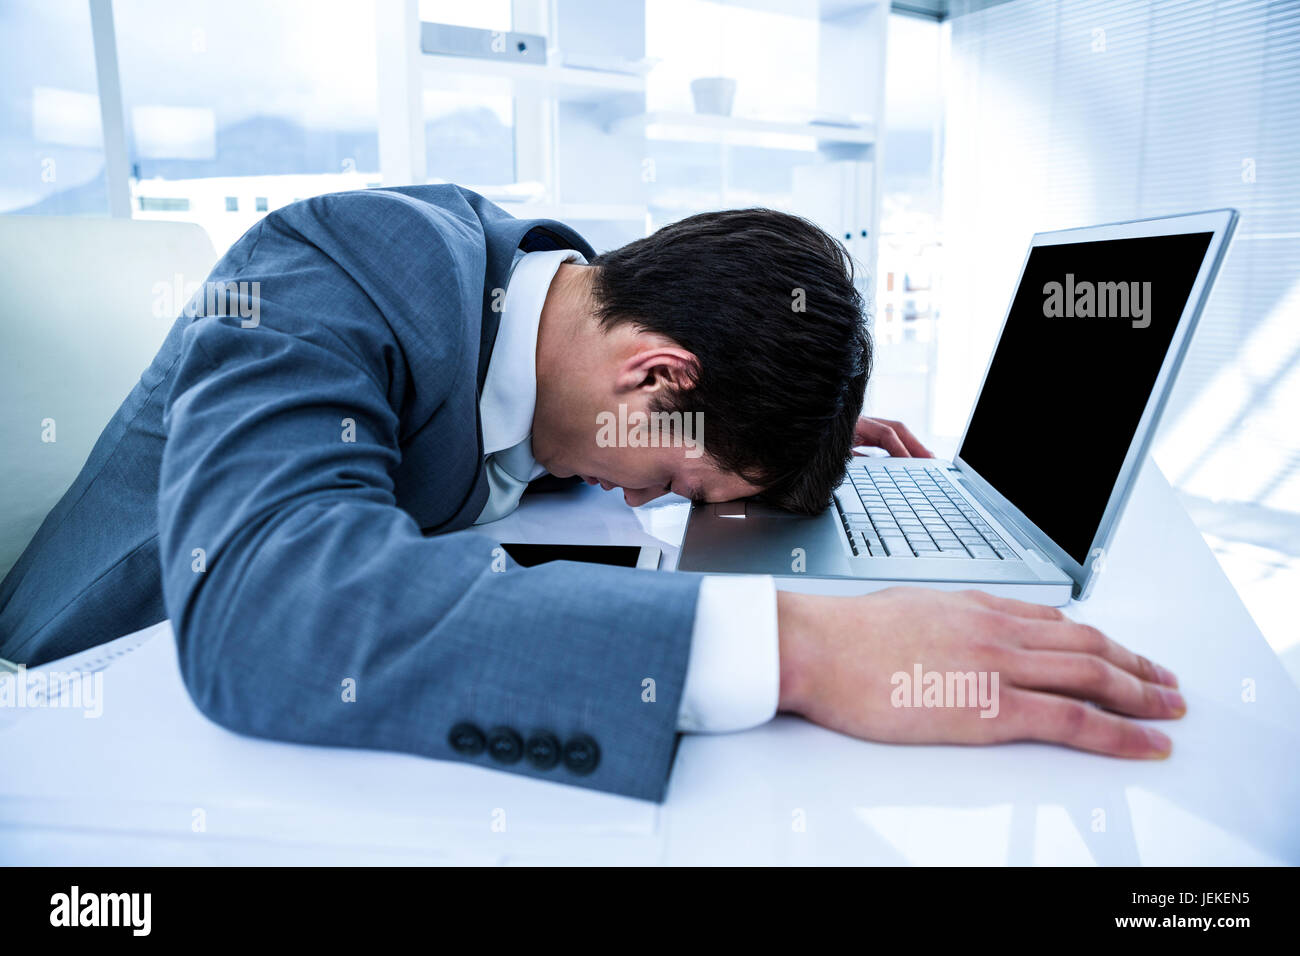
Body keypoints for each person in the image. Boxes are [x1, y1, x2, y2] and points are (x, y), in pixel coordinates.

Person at [0, 186, 1184, 800]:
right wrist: (805, 646)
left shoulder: (565, 302)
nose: (662, 496)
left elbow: (676, 332)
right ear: (656, 374)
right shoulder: (321, 267)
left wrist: (802, 431)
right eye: (672, 480)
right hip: (89, 697)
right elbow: (271, 607)